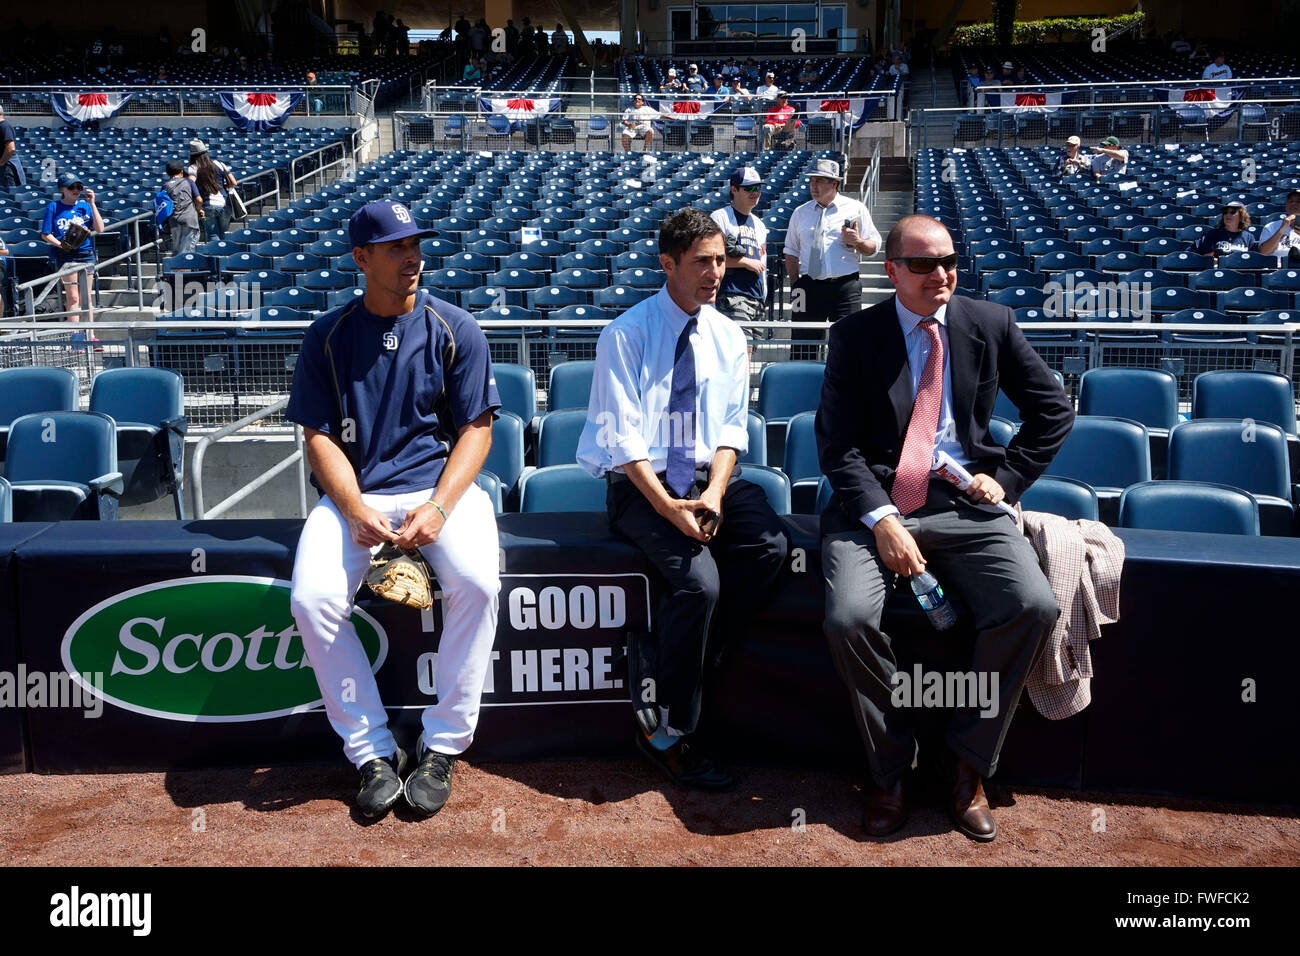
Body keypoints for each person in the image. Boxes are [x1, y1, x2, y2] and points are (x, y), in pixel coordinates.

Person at [817, 214, 1072, 842]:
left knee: (1033, 605)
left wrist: (1008, 481)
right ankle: (889, 768)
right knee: (848, 617)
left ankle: (966, 765)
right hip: (876, 503)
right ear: (892, 270)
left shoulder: (990, 322)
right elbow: (838, 446)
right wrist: (880, 519)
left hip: (965, 504)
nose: (942, 274)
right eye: (925, 263)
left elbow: (1054, 409)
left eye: (949, 261)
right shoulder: (854, 335)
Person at [286, 200, 502, 820]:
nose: (412, 258)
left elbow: (477, 432)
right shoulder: (326, 336)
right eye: (395, 248)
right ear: (361, 257)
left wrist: (438, 506)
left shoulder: (455, 327)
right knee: (312, 600)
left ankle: (441, 746)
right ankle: (371, 752)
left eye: (416, 245)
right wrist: (352, 507)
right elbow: (318, 436)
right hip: (355, 494)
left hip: (440, 492)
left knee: (479, 584)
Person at [575, 208, 790, 791]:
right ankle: (668, 729)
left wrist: (715, 494)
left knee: (770, 546)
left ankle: (697, 654)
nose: (716, 272)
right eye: (702, 262)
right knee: (700, 585)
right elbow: (621, 442)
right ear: (667, 264)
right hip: (641, 485)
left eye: (721, 260)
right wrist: (671, 507)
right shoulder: (626, 333)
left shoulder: (730, 335)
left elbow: (730, 430)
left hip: (706, 477)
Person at [784, 158, 879, 359]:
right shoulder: (800, 213)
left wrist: (858, 242)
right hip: (808, 286)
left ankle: (844, 389)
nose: (813, 186)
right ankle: (803, 387)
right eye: (811, 181)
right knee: (803, 345)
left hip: (845, 287)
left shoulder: (856, 208)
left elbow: (874, 247)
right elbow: (791, 251)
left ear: (834, 184)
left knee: (849, 346)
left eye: (819, 181)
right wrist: (796, 284)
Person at [41, 172, 104, 324]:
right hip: (66, 256)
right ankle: (76, 337)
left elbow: (100, 229)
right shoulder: (54, 207)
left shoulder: (85, 206)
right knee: (73, 297)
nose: (76, 190)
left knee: (86, 297)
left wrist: (92, 204)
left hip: (86, 254)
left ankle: (90, 335)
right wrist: (61, 245)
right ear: (62, 189)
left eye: (79, 187)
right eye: (72, 187)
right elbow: (45, 234)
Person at [709, 167, 768, 328]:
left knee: (750, 351)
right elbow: (711, 259)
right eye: (749, 188)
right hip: (732, 295)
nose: (755, 192)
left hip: (756, 297)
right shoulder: (720, 217)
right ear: (734, 189)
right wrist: (745, 262)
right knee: (740, 350)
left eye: (758, 188)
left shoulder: (759, 224)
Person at [187, 140, 238, 241]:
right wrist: (222, 185)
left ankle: (216, 255)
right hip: (224, 203)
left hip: (207, 205)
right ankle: (225, 254)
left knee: (212, 235)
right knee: (224, 234)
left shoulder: (193, 167)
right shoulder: (219, 163)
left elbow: (190, 184)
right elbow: (233, 182)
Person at [1190, 200, 1257, 262]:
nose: (1228, 215)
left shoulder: (1249, 237)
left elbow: (1251, 260)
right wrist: (1229, 262)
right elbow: (1208, 258)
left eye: (1232, 212)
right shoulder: (1213, 234)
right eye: (1225, 212)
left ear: (1242, 216)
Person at [162, 159, 203, 256]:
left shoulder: (166, 185)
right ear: (181, 171)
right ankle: (183, 270)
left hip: (174, 220)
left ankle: (177, 270)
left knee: (177, 250)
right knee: (187, 252)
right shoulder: (189, 182)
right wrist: (199, 210)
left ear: (167, 173)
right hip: (189, 220)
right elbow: (199, 200)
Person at [1257, 190, 1300, 266]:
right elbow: (1264, 252)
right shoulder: (1271, 226)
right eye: (1291, 201)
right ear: (1286, 206)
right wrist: (1281, 230)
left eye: (1298, 201)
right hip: (1277, 268)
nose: (1293, 204)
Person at [0, 107, 26, 188]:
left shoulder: (4, 126)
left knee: (10, 194)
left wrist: (1, 162)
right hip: (4, 167)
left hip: (8, 167)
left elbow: (11, 148)